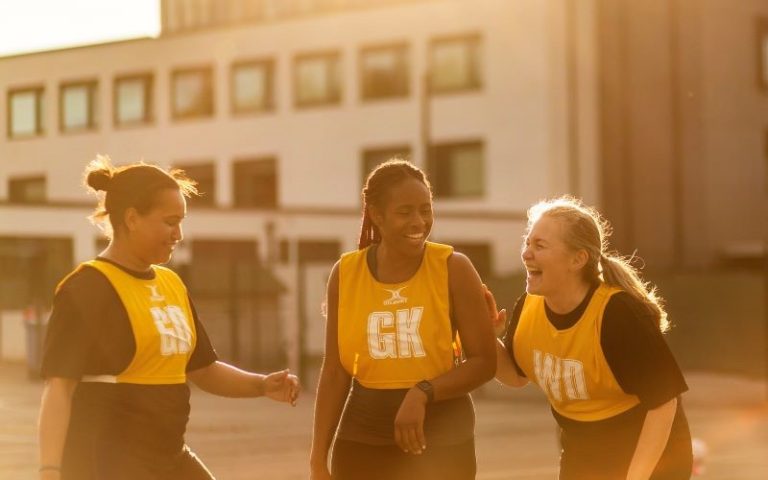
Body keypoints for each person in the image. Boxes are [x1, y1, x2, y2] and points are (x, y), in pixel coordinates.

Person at [38, 156, 300, 480]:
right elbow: (59, 389)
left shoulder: (171, 283)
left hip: (168, 456)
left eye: (181, 222)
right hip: (107, 462)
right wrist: (50, 471)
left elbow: (203, 368)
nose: (179, 234)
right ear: (132, 218)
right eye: (170, 221)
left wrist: (260, 385)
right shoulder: (86, 289)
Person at [309, 159, 496, 480]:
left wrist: (422, 392)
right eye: (405, 211)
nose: (419, 221)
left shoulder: (453, 267)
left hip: (440, 440)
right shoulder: (345, 273)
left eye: (426, 209)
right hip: (362, 439)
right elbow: (334, 371)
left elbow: (483, 362)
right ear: (377, 216)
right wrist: (316, 460)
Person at [491, 196, 693, 479]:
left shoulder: (617, 314)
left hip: (651, 455)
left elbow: (663, 403)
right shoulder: (529, 306)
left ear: (578, 259)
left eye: (540, 245)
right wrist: (489, 338)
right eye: (528, 242)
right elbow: (516, 376)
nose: (526, 253)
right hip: (583, 454)